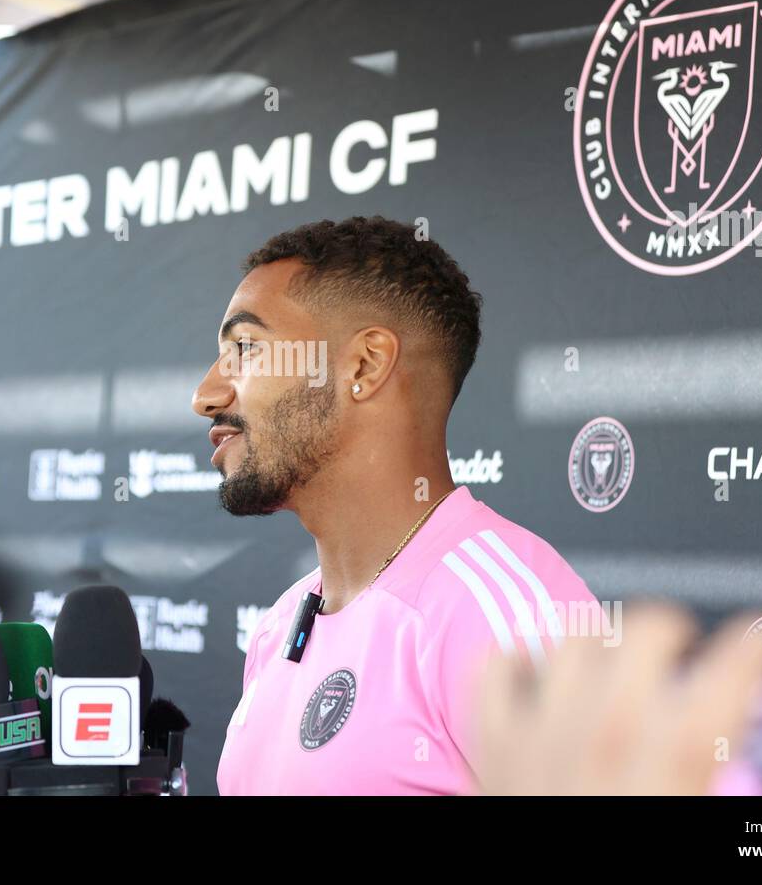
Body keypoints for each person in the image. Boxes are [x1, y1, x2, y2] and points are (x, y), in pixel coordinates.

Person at [192, 216, 599, 794]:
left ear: (364, 365)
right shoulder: (280, 625)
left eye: (246, 348)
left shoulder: (500, 612)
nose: (205, 395)